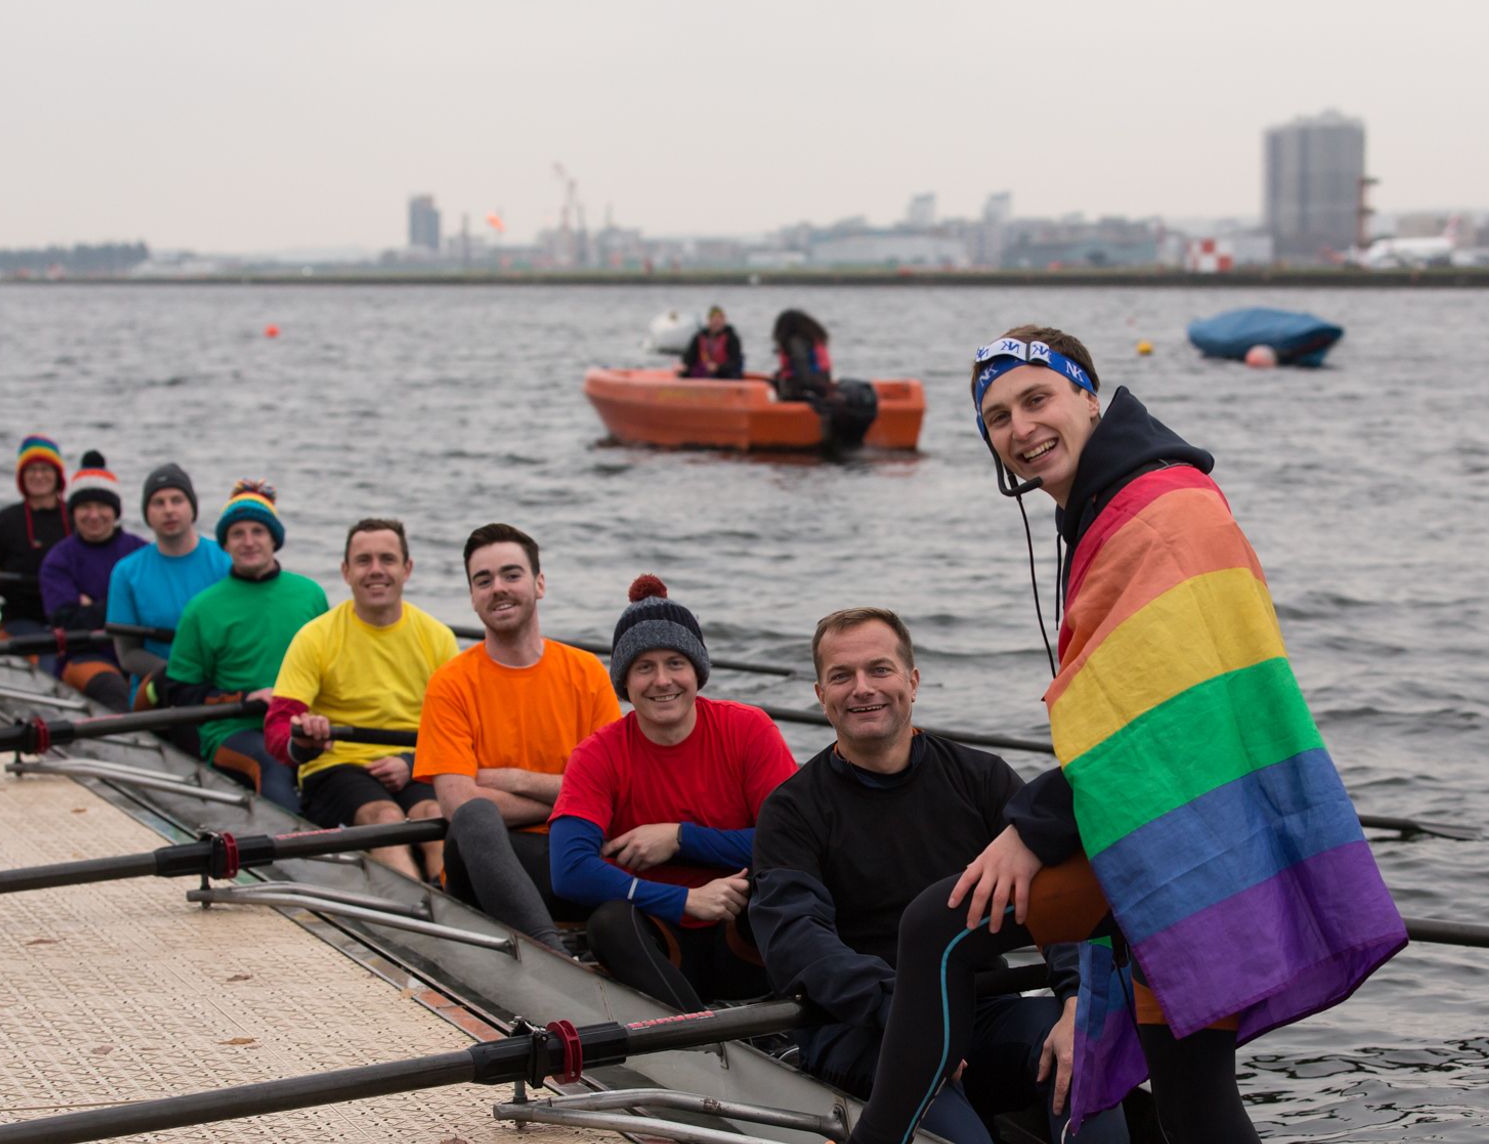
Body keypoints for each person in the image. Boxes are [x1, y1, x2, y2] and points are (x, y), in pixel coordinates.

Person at [844, 327, 1408, 1144]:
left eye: (1037, 399)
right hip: (1183, 821)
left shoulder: (1160, 510)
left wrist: (1030, 832)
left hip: (1188, 830)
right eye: (997, 417)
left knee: (937, 927)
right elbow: (1134, 708)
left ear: (1089, 396)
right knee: (1191, 1095)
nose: (1021, 428)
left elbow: (1161, 717)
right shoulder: (1115, 505)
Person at [751, 608, 1127, 1144]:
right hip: (858, 1026)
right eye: (841, 676)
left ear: (913, 681)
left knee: (1087, 1062)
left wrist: (1077, 1002)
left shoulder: (981, 778)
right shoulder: (792, 810)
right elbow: (796, 942)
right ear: (820, 695)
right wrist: (916, 1024)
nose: (862, 688)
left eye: (879, 670)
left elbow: (1061, 902)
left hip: (981, 1010)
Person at [549, 576, 795, 1009]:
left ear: (697, 670)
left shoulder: (749, 729)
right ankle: (697, 1037)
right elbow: (569, 869)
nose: (662, 680)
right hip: (660, 944)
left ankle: (803, 1017)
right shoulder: (596, 754)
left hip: (740, 938)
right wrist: (684, 900)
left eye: (675, 663)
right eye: (644, 667)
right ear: (625, 680)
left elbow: (795, 842)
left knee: (782, 882)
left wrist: (681, 838)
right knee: (607, 922)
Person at [414, 523, 621, 950]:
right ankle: (551, 954)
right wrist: (569, 797)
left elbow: (613, 794)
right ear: (472, 597)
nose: (498, 589)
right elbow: (459, 802)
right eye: (483, 580)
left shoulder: (586, 673)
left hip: (573, 855)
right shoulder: (450, 683)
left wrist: (513, 779)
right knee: (475, 817)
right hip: (483, 862)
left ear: (539, 583)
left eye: (512, 574)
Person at [264, 518, 458, 879]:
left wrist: (411, 760)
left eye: (387, 559)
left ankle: (448, 908)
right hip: (337, 765)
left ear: (407, 569)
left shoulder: (438, 638)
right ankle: (423, 919)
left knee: (434, 814)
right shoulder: (315, 637)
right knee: (385, 817)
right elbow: (278, 728)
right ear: (346, 571)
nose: (376, 571)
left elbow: (460, 732)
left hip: (417, 763)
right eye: (363, 561)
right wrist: (303, 741)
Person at [162, 481, 328, 813]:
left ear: (274, 539)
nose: (249, 542)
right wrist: (244, 699)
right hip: (235, 727)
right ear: (225, 544)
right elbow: (178, 691)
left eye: (258, 531)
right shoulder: (202, 608)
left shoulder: (310, 594)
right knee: (273, 765)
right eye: (238, 534)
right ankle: (289, 856)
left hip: (303, 723)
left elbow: (334, 670)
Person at [106, 462, 231, 719]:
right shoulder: (126, 572)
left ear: (192, 508)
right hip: (158, 687)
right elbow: (128, 655)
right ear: (147, 513)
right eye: (158, 503)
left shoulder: (226, 562)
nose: (169, 510)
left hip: (220, 683)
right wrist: (181, 676)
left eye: (177, 500)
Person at [37, 451, 147, 709]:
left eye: (102, 507)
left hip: (137, 653)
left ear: (115, 511)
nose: (94, 515)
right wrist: (121, 605)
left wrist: (92, 607)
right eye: (85, 507)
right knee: (115, 691)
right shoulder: (59, 558)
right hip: (84, 655)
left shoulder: (140, 551)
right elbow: (67, 620)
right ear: (73, 513)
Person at [0, 434, 71, 671]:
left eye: (45, 469)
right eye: (31, 470)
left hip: (71, 618)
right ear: (21, 478)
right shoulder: (4, 522)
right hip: (22, 618)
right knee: (50, 661)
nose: (38, 476)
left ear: (58, 476)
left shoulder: (78, 518)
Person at [771, 309, 833, 403]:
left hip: (803, 387)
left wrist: (808, 390)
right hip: (823, 380)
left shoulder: (795, 341)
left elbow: (801, 366)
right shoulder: (813, 338)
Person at [677, 305, 744, 380]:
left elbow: (734, 362)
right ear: (709, 320)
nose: (717, 323)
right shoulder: (699, 337)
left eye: (720, 320)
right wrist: (684, 365)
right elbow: (689, 357)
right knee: (683, 373)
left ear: (724, 321)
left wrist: (718, 367)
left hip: (723, 375)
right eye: (714, 320)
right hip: (703, 373)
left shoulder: (731, 338)